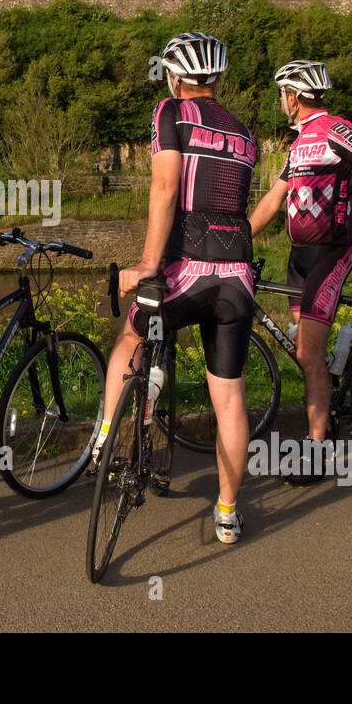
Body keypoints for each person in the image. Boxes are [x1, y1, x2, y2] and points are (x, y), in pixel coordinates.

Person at [94, 32, 257, 544]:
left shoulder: (172, 112)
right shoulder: (247, 133)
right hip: (238, 277)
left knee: (130, 338)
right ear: (219, 78)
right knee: (229, 400)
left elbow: (166, 189)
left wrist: (146, 266)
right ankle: (227, 513)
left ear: (174, 76)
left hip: (188, 270)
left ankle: (103, 439)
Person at [248, 60, 352, 482]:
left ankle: (319, 454)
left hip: (329, 254)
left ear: (293, 96)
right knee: (308, 356)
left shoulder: (337, 130)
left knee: (307, 354)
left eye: (282, 93)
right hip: (299, 258)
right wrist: (234, 239)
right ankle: (328, 419)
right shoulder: (297, 144)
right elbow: (270, 203)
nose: (280, 101)